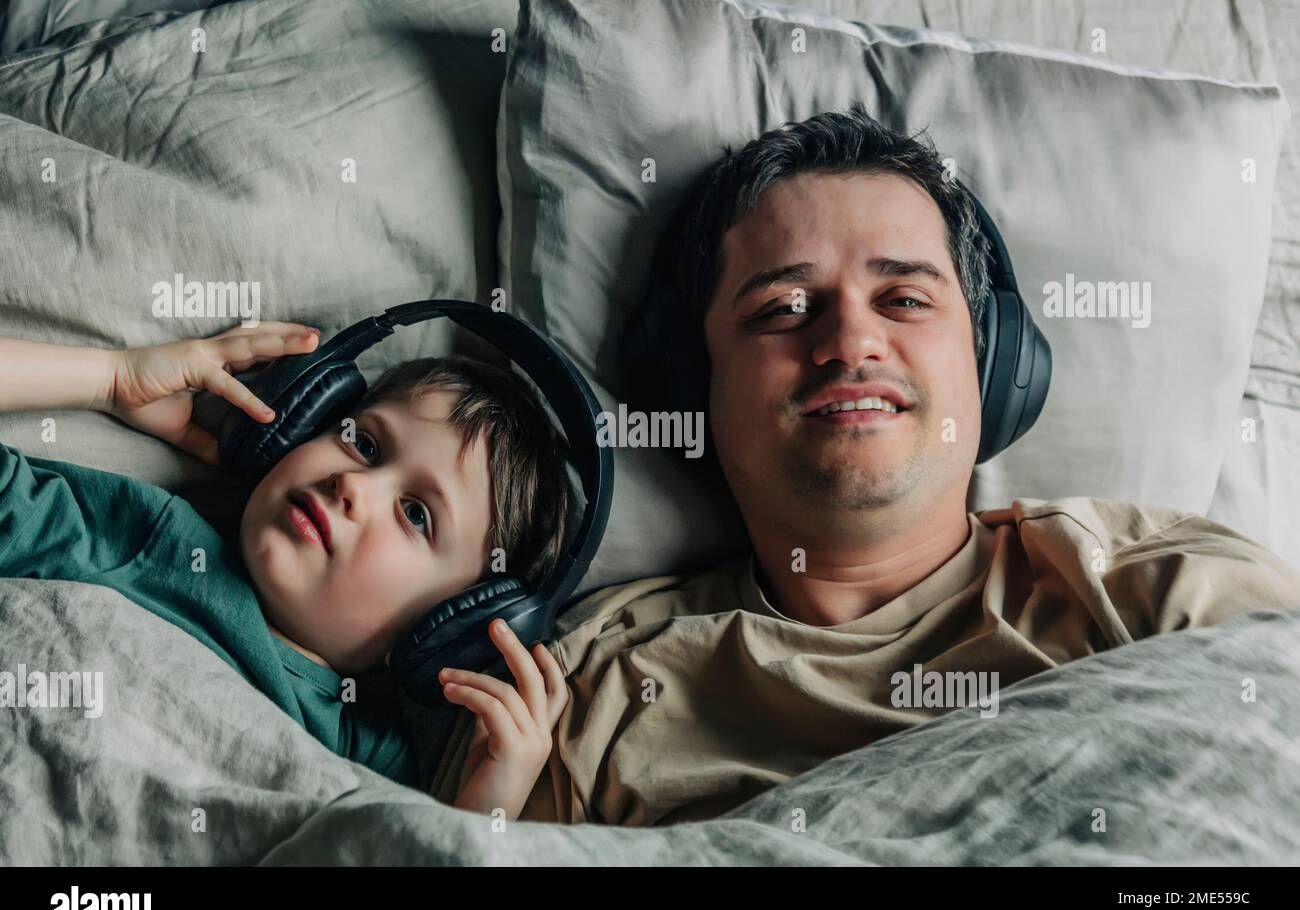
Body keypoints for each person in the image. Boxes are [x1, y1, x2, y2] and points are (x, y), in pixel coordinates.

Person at [433, 103, 1300, 827]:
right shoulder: (587, 690)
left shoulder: (1162, 593)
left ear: (991, 364)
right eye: (784, 307)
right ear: (698, 385)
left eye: (905, 299)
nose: (850, 340)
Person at [0, 324, 569, 819]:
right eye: (364, 443)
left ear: (446, 632)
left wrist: (490, 805)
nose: (354, 485)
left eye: (416, 514)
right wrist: (111, 378)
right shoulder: (155, 541)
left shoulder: (372, 760)